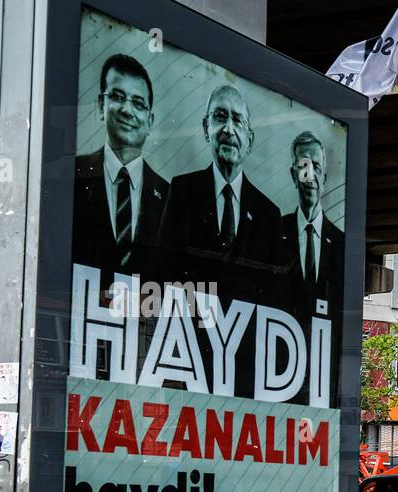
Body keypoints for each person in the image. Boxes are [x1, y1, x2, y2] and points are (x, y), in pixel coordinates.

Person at [158, 84, 287, 321]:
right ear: (206, 128)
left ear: (250, 139)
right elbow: (163, 274)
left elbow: (274, 299)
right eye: (220, 117)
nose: (229, 129)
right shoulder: (182, 191)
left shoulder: (268, 214)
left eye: (238, 120)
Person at [74, 54, 169, 284]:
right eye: (117, 97)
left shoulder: (169, 196)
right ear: (101, 105)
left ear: (150, 120)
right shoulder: (71, 175)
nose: (127, 110)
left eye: (138, 103)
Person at [280, 131, 345, 321]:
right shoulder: (275, 231)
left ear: (324, 177)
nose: (310, 176)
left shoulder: (341, 243)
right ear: (293, 175)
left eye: (316, 166)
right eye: (303, 166)